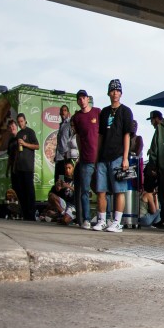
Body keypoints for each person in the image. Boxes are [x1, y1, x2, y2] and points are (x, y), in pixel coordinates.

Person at [93, 80, 133, 233]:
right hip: (103, 156)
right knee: (101, 190)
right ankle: (102, 220)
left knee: (118, 190)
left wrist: (125, 158)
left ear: (121, 93)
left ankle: (117, 222)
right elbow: (100, 136)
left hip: (118, 156)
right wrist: (97, 158)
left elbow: (127, 135)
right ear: (108, 93)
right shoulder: (104, 112)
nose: (115, 93)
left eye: (117, 90)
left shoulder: (126, 111)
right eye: (112, 90)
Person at [70, 89, 100, 229]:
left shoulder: (97, 112)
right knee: (84, 191)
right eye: (79, 98)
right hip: (85, 159)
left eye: (84, 97)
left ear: (88, 99)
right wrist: (80, 154)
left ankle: (104, 218)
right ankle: (86, 220)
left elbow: (103, 134)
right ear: (77, 101)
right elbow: (77, 137)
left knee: (102, 190)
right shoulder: (76, 117)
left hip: (99, 158)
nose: (82, 100)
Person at [9, 115, 39, 221]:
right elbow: (17, 152)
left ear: (25, 121)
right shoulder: (18, 134)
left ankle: (31, 214)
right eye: (19, 122)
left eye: (22, 121)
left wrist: (25, 144)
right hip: (19, 167)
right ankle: (25, 213)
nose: (20, 123)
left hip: (28, 166)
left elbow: (37, 146)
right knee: (21, 192)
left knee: (29, 191)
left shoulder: (30, 132)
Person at [46, 159, 77, 224]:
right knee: (51, 195)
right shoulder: (62, 178)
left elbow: (80, 191)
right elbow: (56, 191)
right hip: (64, 203)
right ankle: (62, 213)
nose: (67, 170)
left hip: (73, 205)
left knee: (65, 221)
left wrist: (68, 186)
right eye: (66, 168)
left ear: (73, 168)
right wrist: (57, 186)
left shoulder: (76, 178)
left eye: (69, 168)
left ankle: (60, 217)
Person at [55, 104, 78, 175]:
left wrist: (67, 155)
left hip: (65, 158)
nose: (63, 112)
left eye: (65, 110)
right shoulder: (61, 125)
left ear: (68, 113)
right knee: (58, 180)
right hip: (58, 157)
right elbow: (60, 142)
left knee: (62, 178)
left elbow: (72, 138)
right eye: (61, 111)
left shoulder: (69, 124)